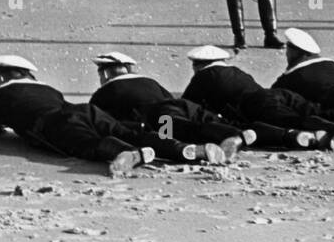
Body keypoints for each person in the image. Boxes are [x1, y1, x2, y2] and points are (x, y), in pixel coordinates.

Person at [0, 55, 210, 176]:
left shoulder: (1, 95)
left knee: (85, 142)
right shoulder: (48, 89)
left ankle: (125, 154)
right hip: (83, 109)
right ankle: (182, 149)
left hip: (52, 123)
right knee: (133, 132)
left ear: (1, 76)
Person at [181, 45, 334, 151]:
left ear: (197, 65)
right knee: (313, 110)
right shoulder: (235, 71)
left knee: (290, 120)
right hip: (275, 94)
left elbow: (188, 105)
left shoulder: (203, 76)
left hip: (257, 102)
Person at [88, 51, 249, 161]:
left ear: (105, 74)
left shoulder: (106, 91)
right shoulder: (149, 81)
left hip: (158, 118)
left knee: (165, 137)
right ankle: (233, 135)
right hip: (176, 108)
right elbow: (169, 98)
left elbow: (97, 117)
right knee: (192, 127)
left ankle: (187, 151)